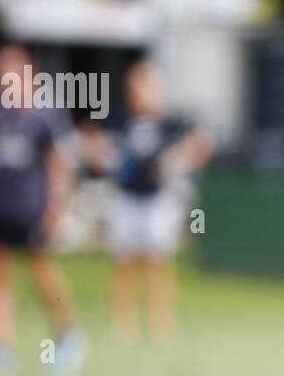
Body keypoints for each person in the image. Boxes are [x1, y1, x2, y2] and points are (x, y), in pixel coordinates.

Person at [0, 45, 86, 376]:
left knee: (41, 273)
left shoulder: (45, 112)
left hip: (33, 207)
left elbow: (59, 163)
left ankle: (66, 335)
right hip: (0, 207)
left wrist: (56, 205)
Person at [79, 60, 213, 342]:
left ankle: (160, 324)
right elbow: (87, 139)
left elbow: (202, 143)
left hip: (157, 198)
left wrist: (178, 162)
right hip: (126, 197)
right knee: (123, 262)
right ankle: (122, 324)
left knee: (157, 261)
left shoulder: (171, 123)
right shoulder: (117, 118)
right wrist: (108, 162)